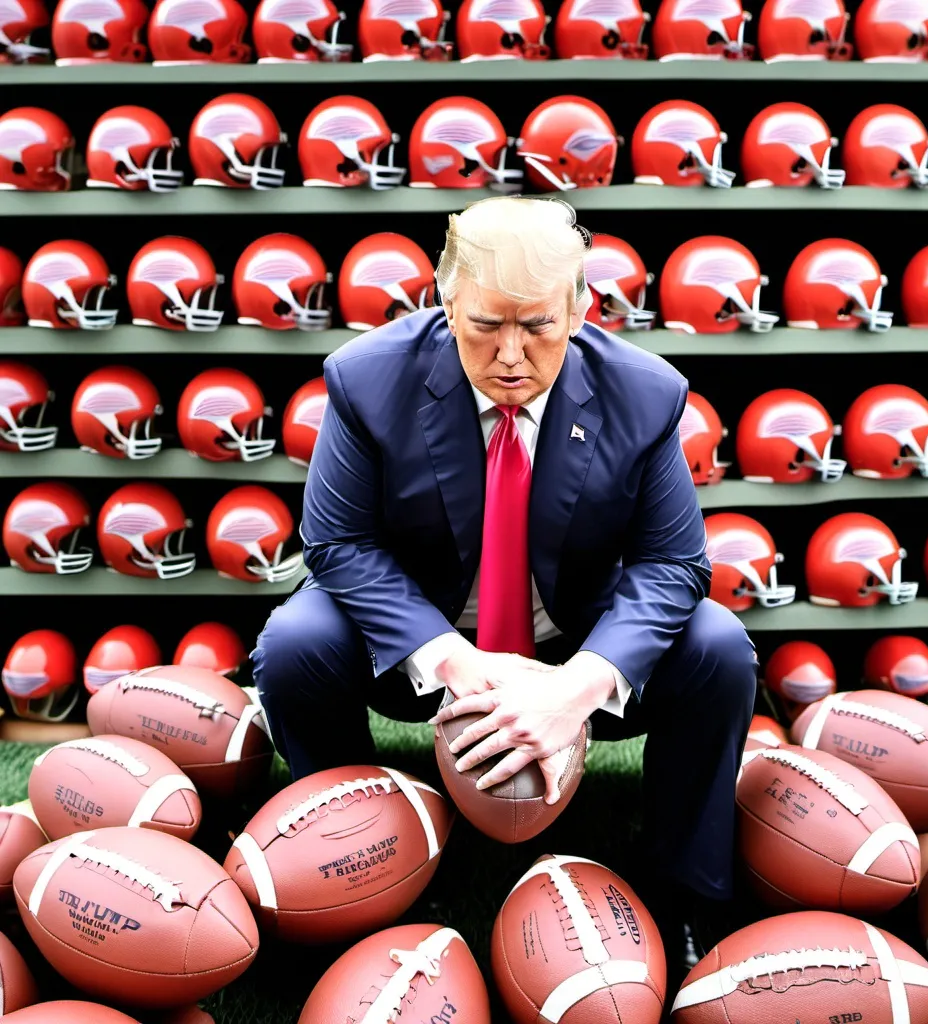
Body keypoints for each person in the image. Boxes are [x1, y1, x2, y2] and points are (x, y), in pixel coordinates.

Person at [251, 195, 757, 972]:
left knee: (718, 647)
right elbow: (337, 542)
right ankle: (352, 875)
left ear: (580, 310)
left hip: (572, 638)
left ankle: (685, 893)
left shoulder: (645, 392)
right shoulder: (367, 379)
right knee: (295, 642)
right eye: (486, 324)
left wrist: (579, 686)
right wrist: (451, 658)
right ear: (446, 301)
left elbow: (674, 563)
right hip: (427, 642)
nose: (512, 354)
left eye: (539, 325)